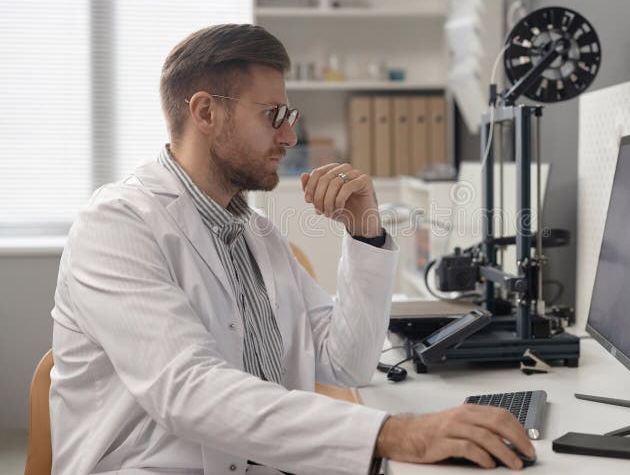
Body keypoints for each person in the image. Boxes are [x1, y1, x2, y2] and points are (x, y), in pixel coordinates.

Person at [49, 23, 535, 474]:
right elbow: (188, 391)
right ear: (205, 112)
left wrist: (365, 231)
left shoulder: (255, 232)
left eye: (290, 115)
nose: (290, 136)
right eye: (273, 115)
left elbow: (346, 361)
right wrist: (396, 433)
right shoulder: (116, 225)